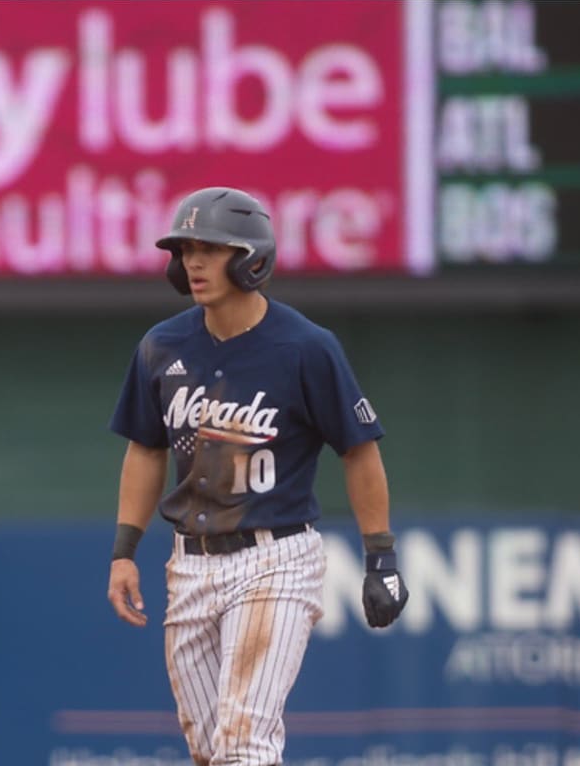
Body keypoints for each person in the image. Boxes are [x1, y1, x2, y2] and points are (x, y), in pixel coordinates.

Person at [105, 188, 409, 766]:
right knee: (208, 750)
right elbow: (145, 449)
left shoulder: (306, 348)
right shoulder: (161, 346)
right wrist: (124, 551)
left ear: (252, 257)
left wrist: (381, 556)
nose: (193, 262)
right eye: (185, 249)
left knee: (244, 743)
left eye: (211, 249)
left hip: (276, 559)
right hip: (189, 563)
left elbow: (359, 451)